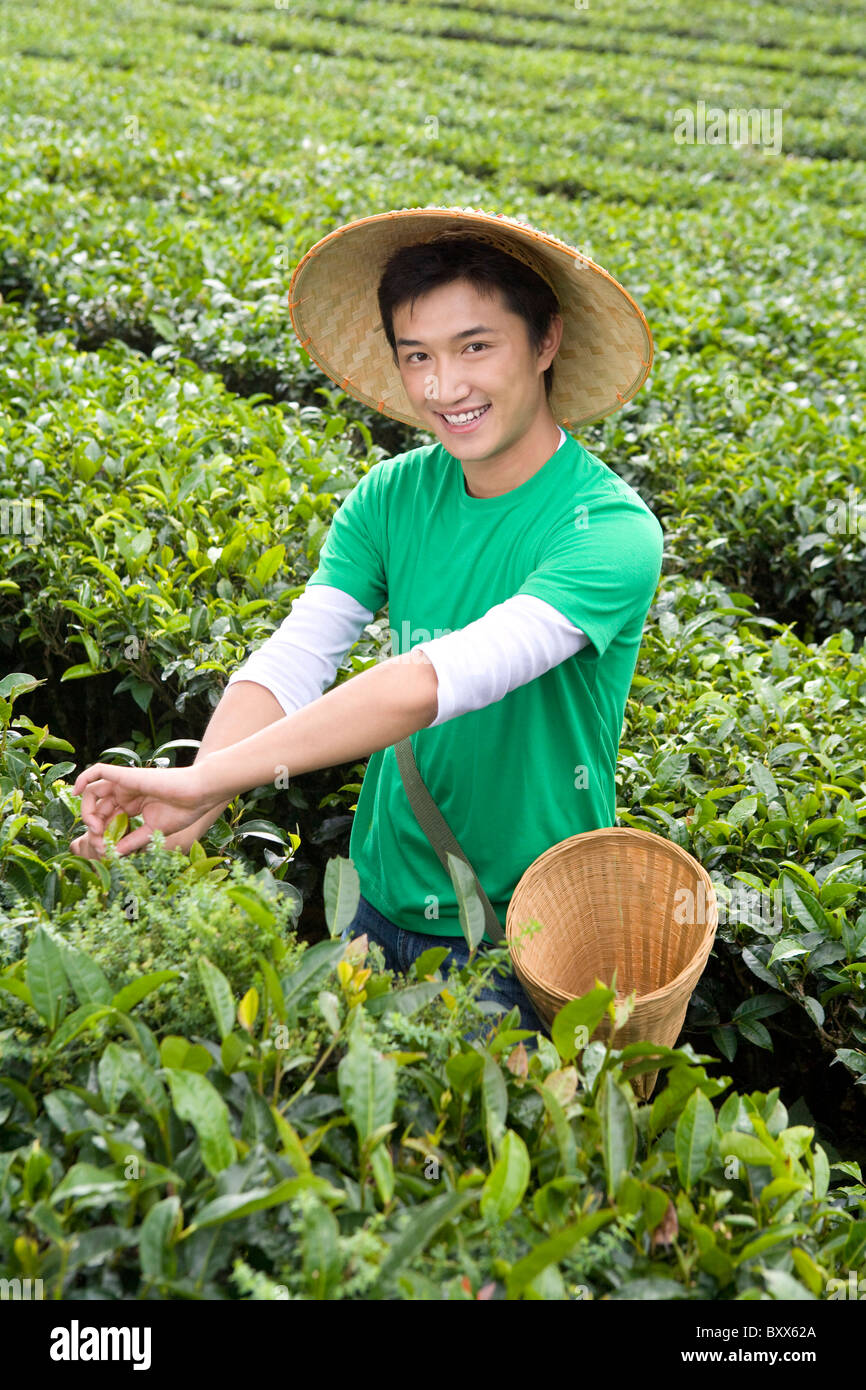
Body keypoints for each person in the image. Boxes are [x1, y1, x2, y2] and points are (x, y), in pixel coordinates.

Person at [71, 206, 664, 1040]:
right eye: (416, 356)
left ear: (545, 342)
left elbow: (438, 681)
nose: (443, 387)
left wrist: (207, 781)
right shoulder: (391, 497)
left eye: (475, 346)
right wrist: (200, 791)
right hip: (374, 902)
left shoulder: (609, 532)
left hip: (523, 935)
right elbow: (297, 656)